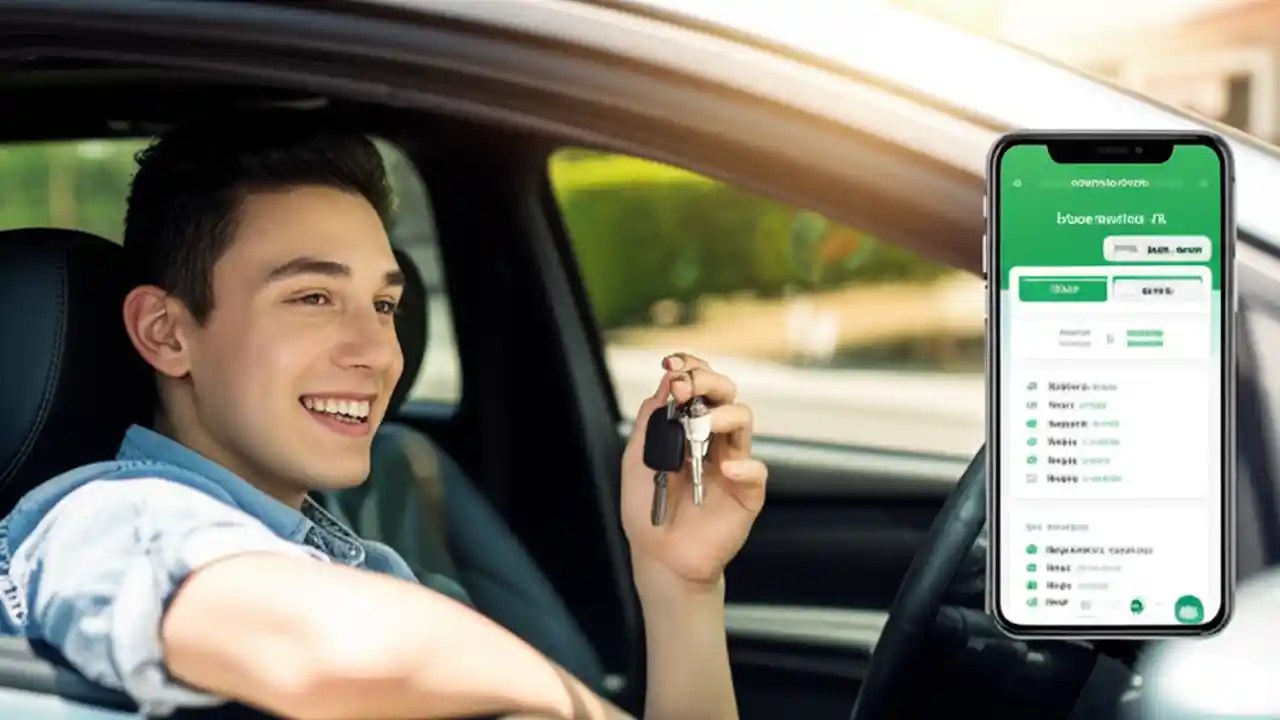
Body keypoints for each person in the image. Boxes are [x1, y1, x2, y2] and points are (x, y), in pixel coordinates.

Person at [0, 117, 768, 720]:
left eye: (384, 304)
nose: (379, 352)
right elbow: (311, 650)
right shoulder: (111, 515)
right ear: (167, 334)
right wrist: (579, 706)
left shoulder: (366, 569)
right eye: (312, 298)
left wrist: (679, 585)